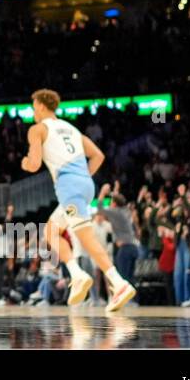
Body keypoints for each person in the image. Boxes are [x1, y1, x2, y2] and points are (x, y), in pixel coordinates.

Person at [21, 89, 136, 312]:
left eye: (34, 106)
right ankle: (77, 274)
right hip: (85, 185)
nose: (33, 111)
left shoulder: (37, 129)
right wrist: (82, 177)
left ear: (43, 106)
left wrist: (25, 162)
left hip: (69, 187)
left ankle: (119, 283)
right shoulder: (71, 129)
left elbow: (34, 164)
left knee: (86, 238)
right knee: (51, 232)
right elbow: (98, 156)